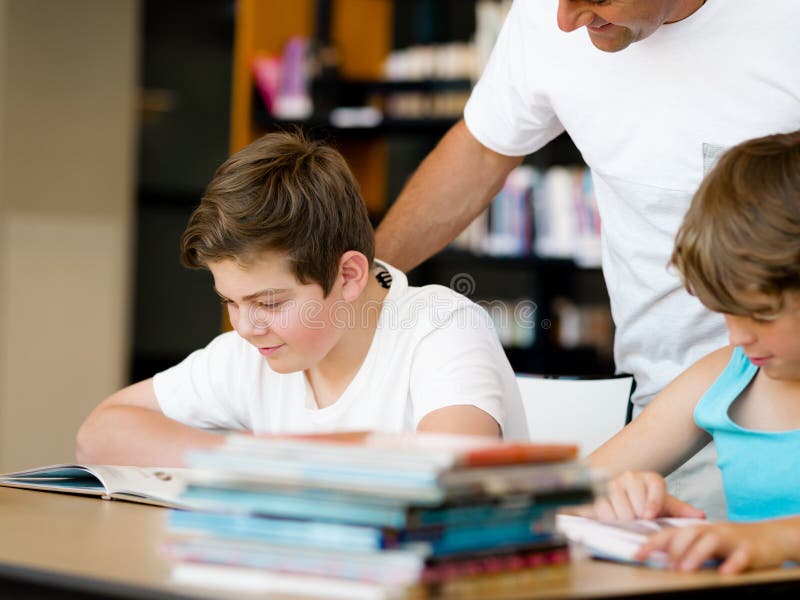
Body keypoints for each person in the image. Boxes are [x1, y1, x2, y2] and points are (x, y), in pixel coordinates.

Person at [374, 0, 800, 519]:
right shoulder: (718, 375)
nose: (563, 19)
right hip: (664, 407)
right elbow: (483, 150)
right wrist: (361, 281)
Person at [76, 131, 528, 467]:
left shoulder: (441, 331)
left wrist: (276, 463)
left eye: (269, 302)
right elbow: (99, 433)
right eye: (230, 302)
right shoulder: (254, 351)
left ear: (348, 275)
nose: (245, 326)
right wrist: (251, 459)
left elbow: (455, 478)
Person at [581, 130, 800, 574]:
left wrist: (776, 537)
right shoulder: (729, 378)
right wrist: (619, 497)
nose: (738, 338)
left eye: (760, 314)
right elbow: (557, 493)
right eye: (725, 313)